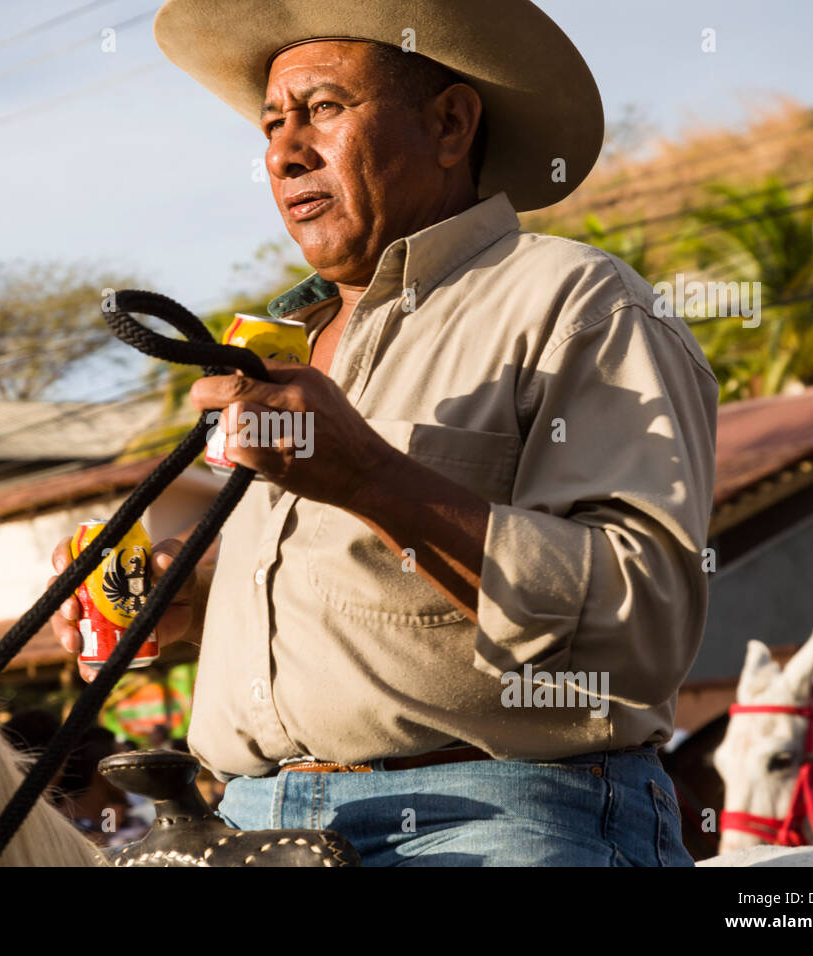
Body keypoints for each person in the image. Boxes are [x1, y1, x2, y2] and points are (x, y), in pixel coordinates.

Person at [48, 0, 717, 866]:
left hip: (499, 813)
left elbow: (645, 626)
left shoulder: (577, 302)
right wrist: (189, 595)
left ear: (449, 124)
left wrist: (369, 477)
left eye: (324, 109)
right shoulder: (278, 348)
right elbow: (354, 591)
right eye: (274, 123)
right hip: (245, 819)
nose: (285, 153)